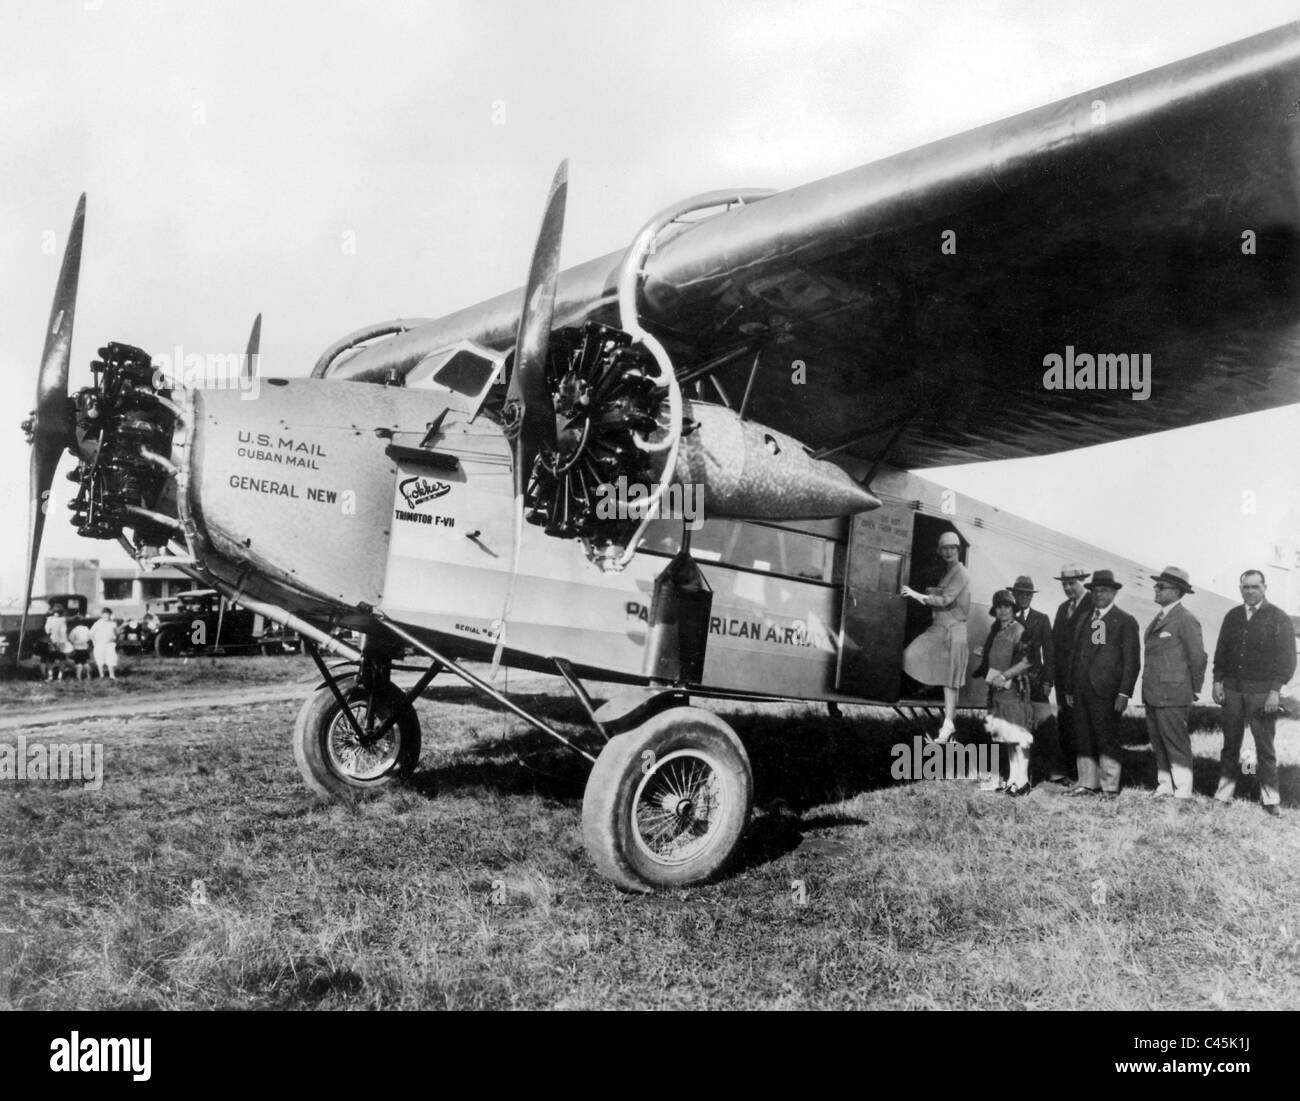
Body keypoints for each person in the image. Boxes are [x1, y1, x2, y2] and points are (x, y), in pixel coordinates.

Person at [1211, 570, 1296, 817]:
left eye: (1254, 587)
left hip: (1262, 693)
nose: (1249, 591)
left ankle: (1271, 798)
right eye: (1245, 587)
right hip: (1232, 690)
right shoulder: (1233, 616)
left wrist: (1274, 692)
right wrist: (1217, 681)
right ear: (1240, 589)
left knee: (1264, 747)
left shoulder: (1278, 617)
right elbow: (1221, 652)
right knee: (1230, 745)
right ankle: (1224, 793)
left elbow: (1287, 660)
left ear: (1264, 588)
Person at [1067, 569, 1140, 798]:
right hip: (1081, 689)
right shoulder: (1084, 619)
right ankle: (1087, 783)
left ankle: (1109, 787)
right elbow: (1074, 654)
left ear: (1114, 593)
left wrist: (1124, 693)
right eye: (1095, 590)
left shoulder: (1125, 621)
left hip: (1107, 692)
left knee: (1107, 737)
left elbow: (1132, 661)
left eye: (1104, 590)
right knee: (1084, 736)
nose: (1099, 594)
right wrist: (1070, 687)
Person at [1141, 567, 1207, 800]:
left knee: (1175, 742)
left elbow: (1198, 657)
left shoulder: (1186, 619)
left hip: (1173, 693)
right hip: (1152, 693)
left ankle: (1183, 791)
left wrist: (1194, 688)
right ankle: (1165, 786)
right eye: (1156, 585)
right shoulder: (1160, 617)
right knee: (1158, 740)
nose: (1156, 589)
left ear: (1177, 591)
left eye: (1161, 586)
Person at [901, 530, 970, 741]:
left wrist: (914, 594)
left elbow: (945, 600)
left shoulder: (961, 572)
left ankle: (948, 725)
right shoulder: (948, 571)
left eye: (952, 548)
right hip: (939, 627)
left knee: (950, 681)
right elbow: (940, 598)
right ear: (940, 551)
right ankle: (930, 690)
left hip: (953, 630)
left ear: (958, 550)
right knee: (910, 655)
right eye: (945, 548)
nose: (948, 552)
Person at [972, 589, 1041, 795]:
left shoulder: (1020, 629)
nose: (1002, 611)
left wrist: (1006, 676)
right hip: (998, 693)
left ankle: (1023, 782)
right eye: (999, 607)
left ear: (1013, 609)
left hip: (1015, 691)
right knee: (1007, 737)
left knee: (1019, 737)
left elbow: (1028, 660)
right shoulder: (997, 631)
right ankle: (1012, 779)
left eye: (1006, 607)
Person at [1008, 575, 1064, 783]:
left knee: (1047, 727)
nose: (1024, 598)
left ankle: (1056, 773)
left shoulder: (1042, 619)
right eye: (1020, 594)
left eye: (1028, 594)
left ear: (1032, 597)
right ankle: (1019, 774)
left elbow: (1049, 653)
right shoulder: (1006, 617)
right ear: (1013, 595)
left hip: (1037, 682)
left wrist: (1048, 681)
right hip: (1012, 682)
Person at [1051, 564, 1094, 783]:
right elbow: (1054, 645)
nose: (1068, 588)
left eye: (1072, 583)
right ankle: (1070, 772)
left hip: (1083, 678)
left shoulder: (1093, 605)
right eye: (1064, 584)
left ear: (1083, 582)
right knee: (1066, 723)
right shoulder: (1061, 609)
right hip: (1062, 679)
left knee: (1083, 724)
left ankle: (1086, 775)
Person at [90, 608, 120, 682]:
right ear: (102, 615)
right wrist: (94, 643)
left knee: (111, 659)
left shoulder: (113, 623)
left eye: (108, 615)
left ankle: (112, 675)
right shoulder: (97, 623)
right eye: (104, 615)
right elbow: (91, 634)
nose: (106, 616)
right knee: (100, 659)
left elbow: (117, 633)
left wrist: (115, 638)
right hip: (100, 644)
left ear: (110, 615)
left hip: (110, 644)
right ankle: (101, 675)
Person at [43, 604, 71, 682]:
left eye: (58, 612)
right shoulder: (51, 619)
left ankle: (59, 676)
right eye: (56, 612)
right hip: (53, 641)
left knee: (60, 659)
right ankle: (52, 676)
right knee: (51, 659)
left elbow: (63, 631)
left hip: (59, 641)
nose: (57, 613)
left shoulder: (61, 619)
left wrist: (63, 641)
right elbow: (47, 630)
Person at [69, 616, 94, 681]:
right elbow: (90, 637)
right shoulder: (86, 629)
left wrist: (75, 642)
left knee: (78, 663)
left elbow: (71, 638)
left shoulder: (74, 630)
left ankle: (79, 676)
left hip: (77, 648)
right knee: (86, 662)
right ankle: (88, 675)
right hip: (85, 648)